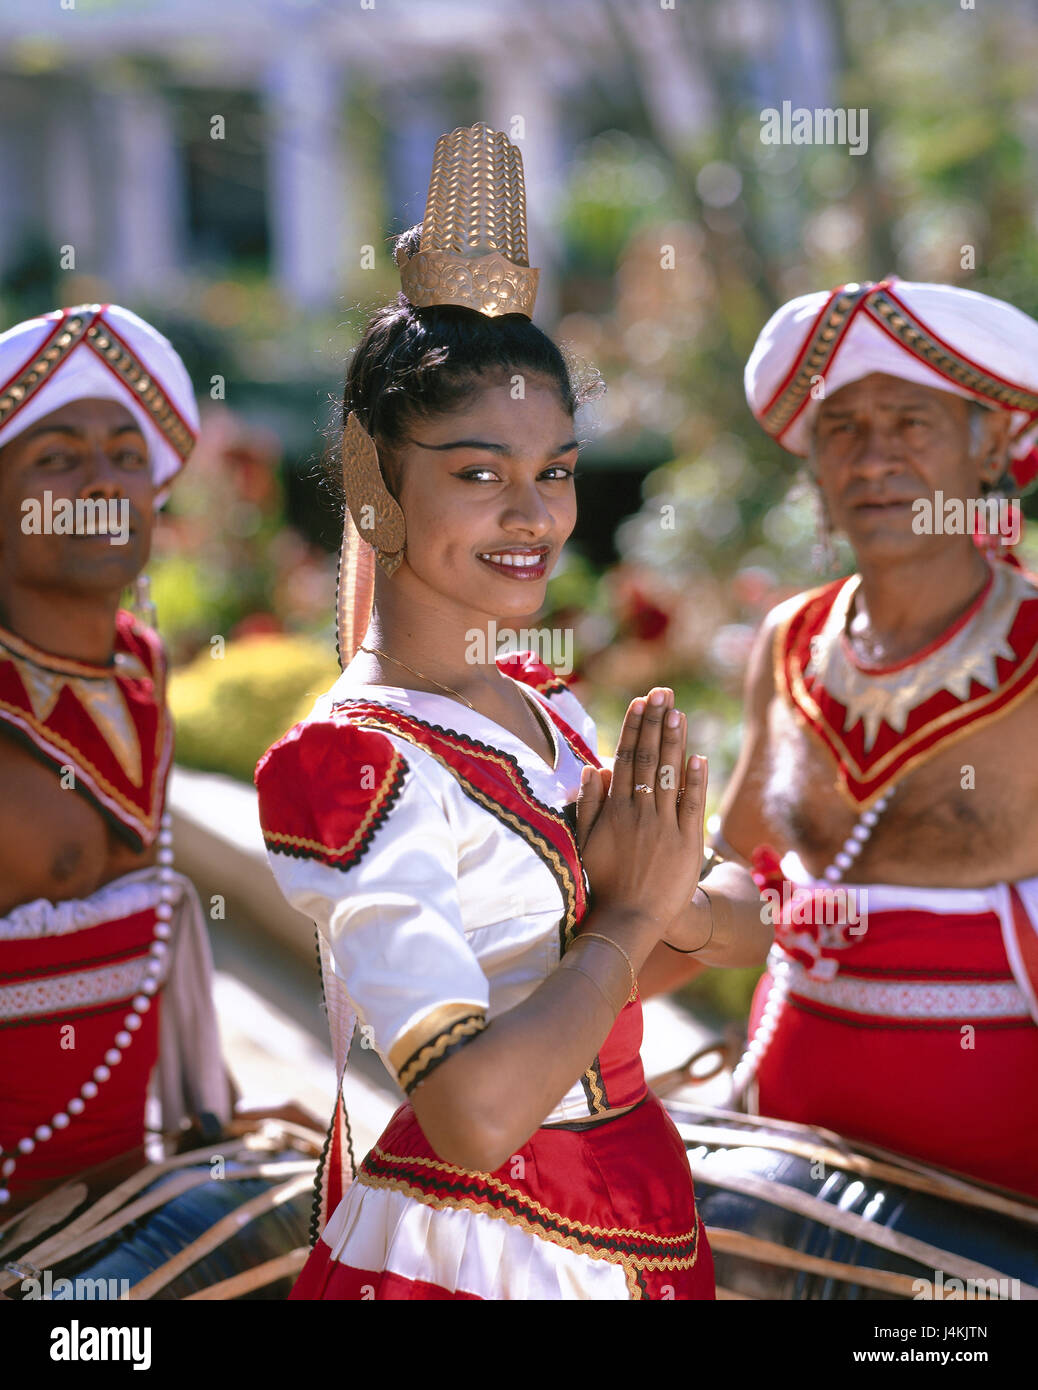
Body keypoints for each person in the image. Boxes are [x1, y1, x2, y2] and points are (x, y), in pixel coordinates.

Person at [255, 121, 771, 1300]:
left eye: (556, 470)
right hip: (478, 1250)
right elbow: (479, 1109)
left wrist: (651, 916)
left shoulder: (543, 712)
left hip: (637, 1217)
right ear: (376, 479)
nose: (533, 515)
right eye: (480, 473)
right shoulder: (351, 766)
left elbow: (749, 925)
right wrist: (635, 919)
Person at [715, 277, 1038, 1197]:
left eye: (912, 423)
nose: (874, 459)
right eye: (842, 429)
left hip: (997, 1208)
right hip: (789, 1165)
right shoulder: (785, 642)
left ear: (989, 451)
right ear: (814, 465)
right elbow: (733, 859)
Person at [0, 303, 232, 1211]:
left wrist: (212, 1113)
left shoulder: (139, 670)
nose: (104, 484)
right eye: (56, 459)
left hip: (129, 1204)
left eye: (128, 458)